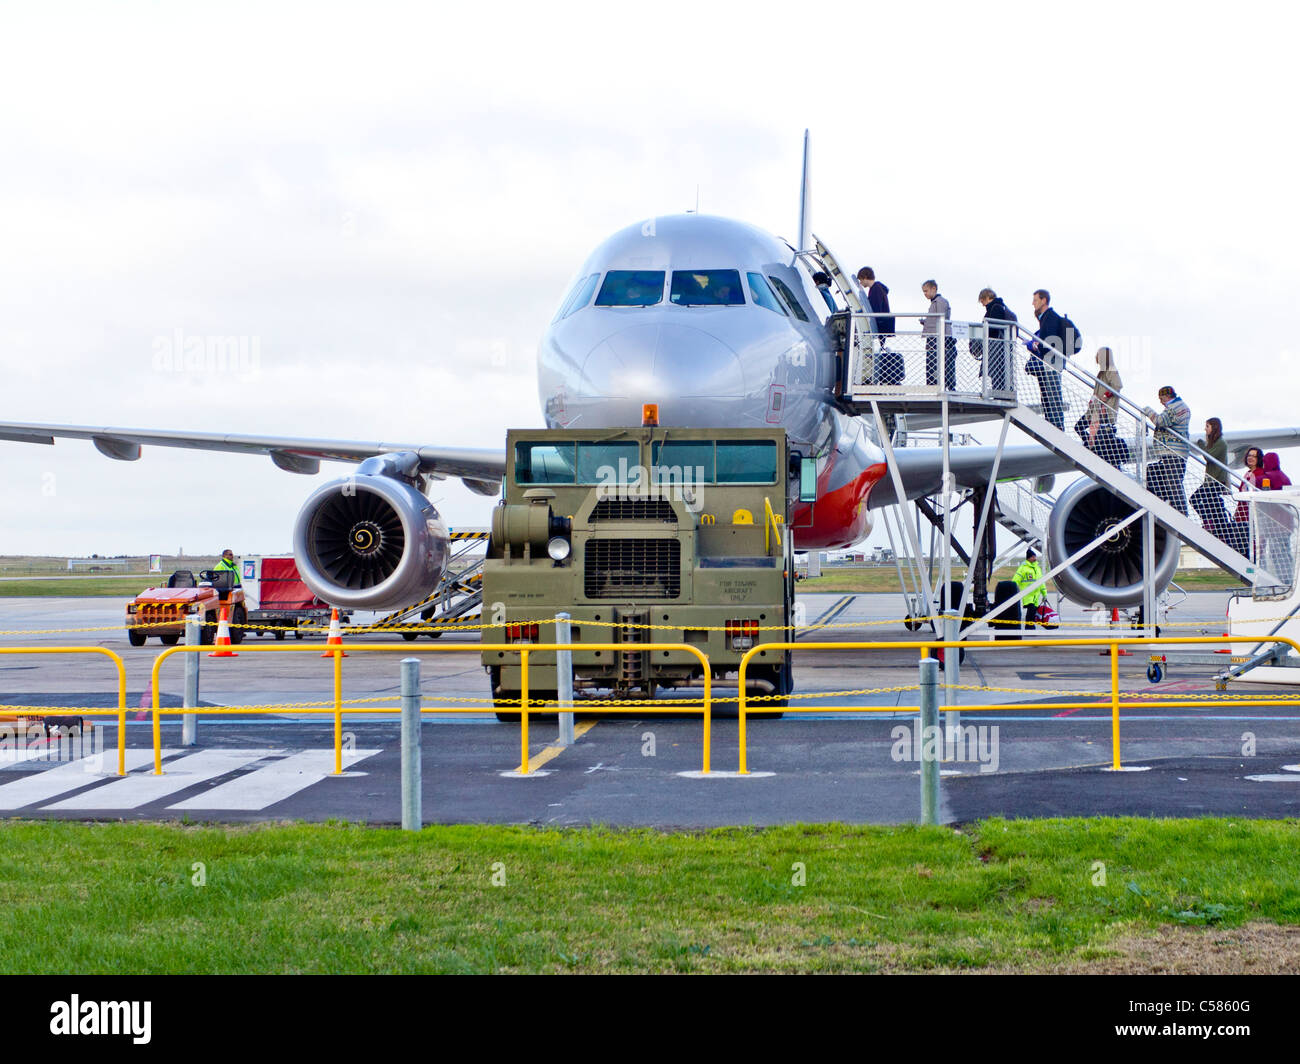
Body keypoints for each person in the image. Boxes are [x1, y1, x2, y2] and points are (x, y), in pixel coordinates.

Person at [1025, 289, 1069, 430]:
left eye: (1035, 300)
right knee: (1049, 396)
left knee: (1052, 395)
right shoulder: (1048, 317)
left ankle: (1055, 426)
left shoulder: (1049, 317)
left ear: (1044, 300)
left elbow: (1049, 342)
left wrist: (1037, 346)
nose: (1033, 303)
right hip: (1051, 361)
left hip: (1051, 362)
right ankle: (1053, 424)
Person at [1144, 385, 1191, 515]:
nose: (1161, 402)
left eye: (1161, 398)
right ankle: (1169, 506)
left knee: (1173, 483)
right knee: (1162, 477)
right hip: (1174, 451)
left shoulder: (1175, 407)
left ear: (1167, 396)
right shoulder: (1180, 406)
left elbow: (1160, 421)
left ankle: (1181, 513)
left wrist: (1148, 411)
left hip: (1173, 451)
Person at [1078, 347, 1126, 465]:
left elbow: (1118, 385)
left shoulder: (1111, 370)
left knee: (1100, 437)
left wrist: (1105, 396)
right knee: (1079, 427)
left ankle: (1093, 446)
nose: (1096, 357)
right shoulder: (1102, 372)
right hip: (1095, 410)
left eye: (1098, 355)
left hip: (1104, 411)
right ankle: (1091, 445)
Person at [1189, 417, 1232, 541]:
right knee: (1214, 506)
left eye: (1207, 426)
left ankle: (1215, 526)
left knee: (1197, 499)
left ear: (1214, 427)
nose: (1205, 429)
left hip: (1216, 480)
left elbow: (1209, 457)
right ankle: (1220, 529)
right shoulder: (1215, 443)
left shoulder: (1221, 443)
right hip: (1211, 480)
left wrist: (1201, 444)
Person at [858, 266, 901, 385]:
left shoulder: (875, 289)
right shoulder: (879, 288)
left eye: (861, 280)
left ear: (865, 277)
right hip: (884, 325)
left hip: (880, 325)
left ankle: (871, 379)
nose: (861, 283)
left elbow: (875, 308)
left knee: (875, 353)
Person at [969, 288, 1016, 393]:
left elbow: (994, 328)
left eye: (982, 301)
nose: (982, 304)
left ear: (987, 298)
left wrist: (982, 334)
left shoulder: (995, 308)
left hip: (996, 346)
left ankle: (999, 392)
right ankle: (1001, 391)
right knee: (1000, 372)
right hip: (1001, 346)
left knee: (997, 372)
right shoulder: (1000, 307)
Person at [921, 280, 956, 388]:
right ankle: (935, 385)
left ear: (933, 289)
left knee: (938, 363)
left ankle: (939, 386)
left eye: (926, 291)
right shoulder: (936, 302)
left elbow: (942, 320)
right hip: (935, 337)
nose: (925, 294)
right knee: (933, 364)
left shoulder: (939, 302)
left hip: (939, 338)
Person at [1013, 549, 1047, 626]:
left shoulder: (1037, 568)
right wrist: (1012, 589)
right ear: (1028, 558)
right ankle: (1029, 627)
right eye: (1033, 557)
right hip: (1028, 595)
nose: (1035, 558)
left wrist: (1044, 593)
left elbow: (1041, 582)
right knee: (1031, 611)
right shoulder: (1023, 568)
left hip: (1036, 595)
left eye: (1035, 556)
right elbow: (1016, 579)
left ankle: (1030, 626)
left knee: (1033, 612)